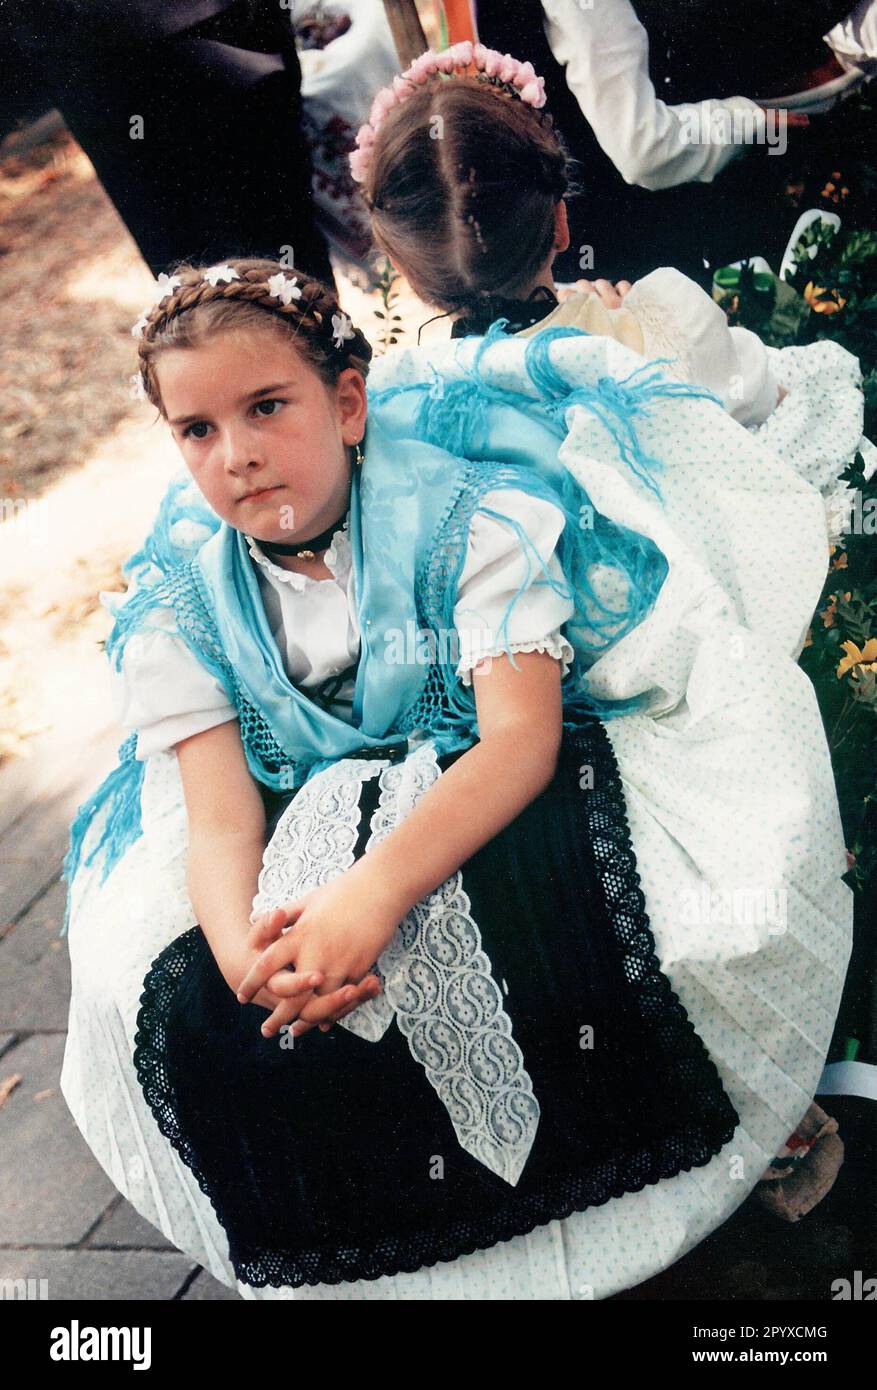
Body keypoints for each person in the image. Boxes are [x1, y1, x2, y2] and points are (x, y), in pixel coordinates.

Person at [59, 246, 855, 1299]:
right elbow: (216, 819)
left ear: (347, 405)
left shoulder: (462, 517)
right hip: (305, 795)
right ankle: (436, 1244)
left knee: (571, 910)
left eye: (266, 408)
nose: (237, 456)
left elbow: (516, 742)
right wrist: (256, 955)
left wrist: (371, 895)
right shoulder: (185, 603)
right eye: (198, 430)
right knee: (199, 1009)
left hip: (491, 761)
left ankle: (690, 1165)